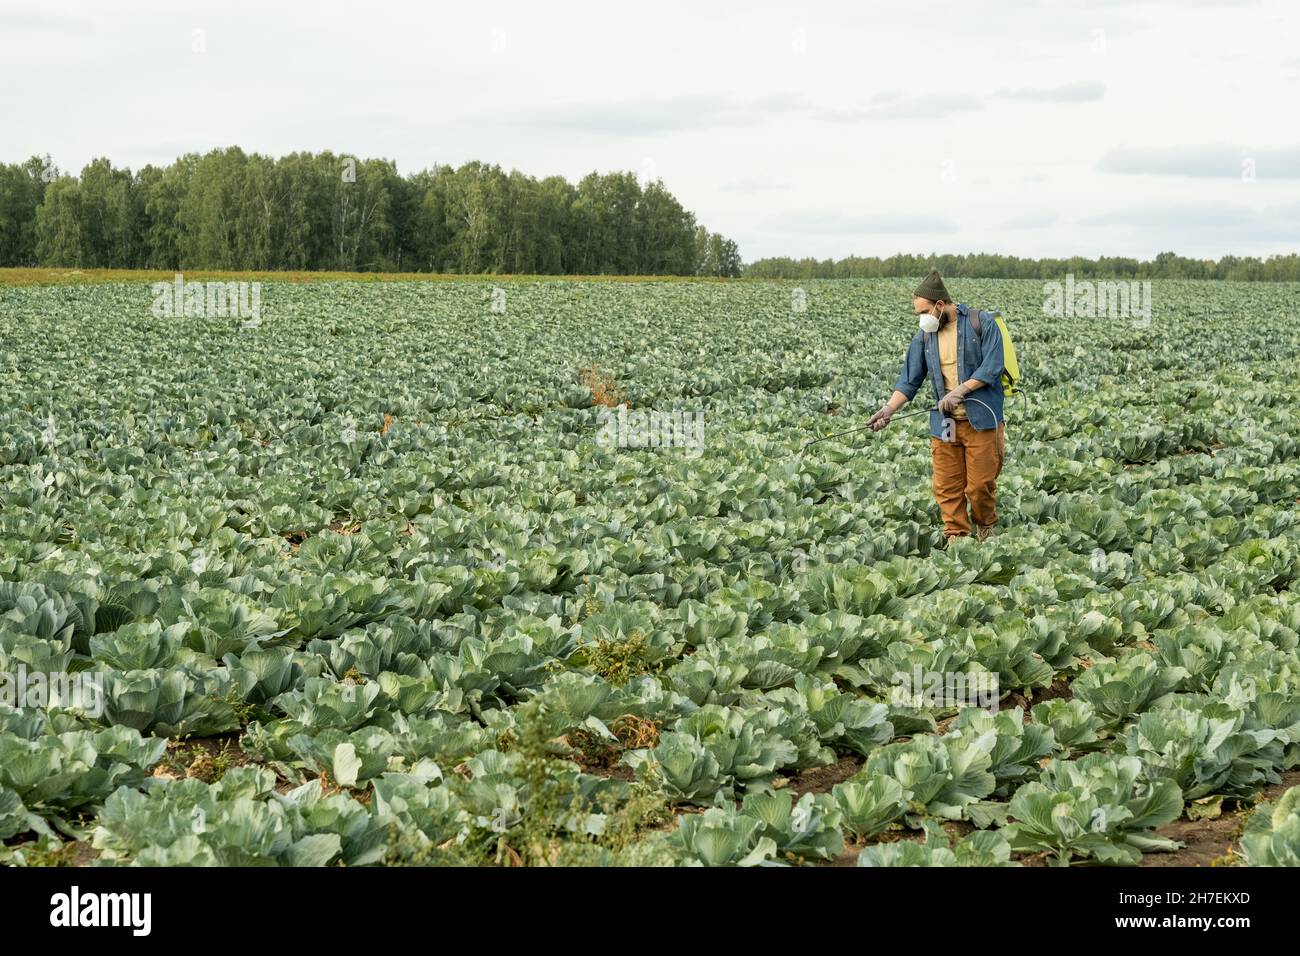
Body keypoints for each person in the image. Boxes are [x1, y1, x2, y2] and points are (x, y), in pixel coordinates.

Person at [867, 269, 1006, 543]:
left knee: (979, 485)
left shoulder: (981, 323)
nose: (922, 319)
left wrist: (961, 391)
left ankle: (985, 526)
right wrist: (888, 410)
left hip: (981, 419)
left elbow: (993, 366)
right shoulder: (926, 336)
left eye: (925, 312)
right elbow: (909, 379)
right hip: (946, 423)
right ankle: (955, 534)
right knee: (947, 485)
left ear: (940, 305)